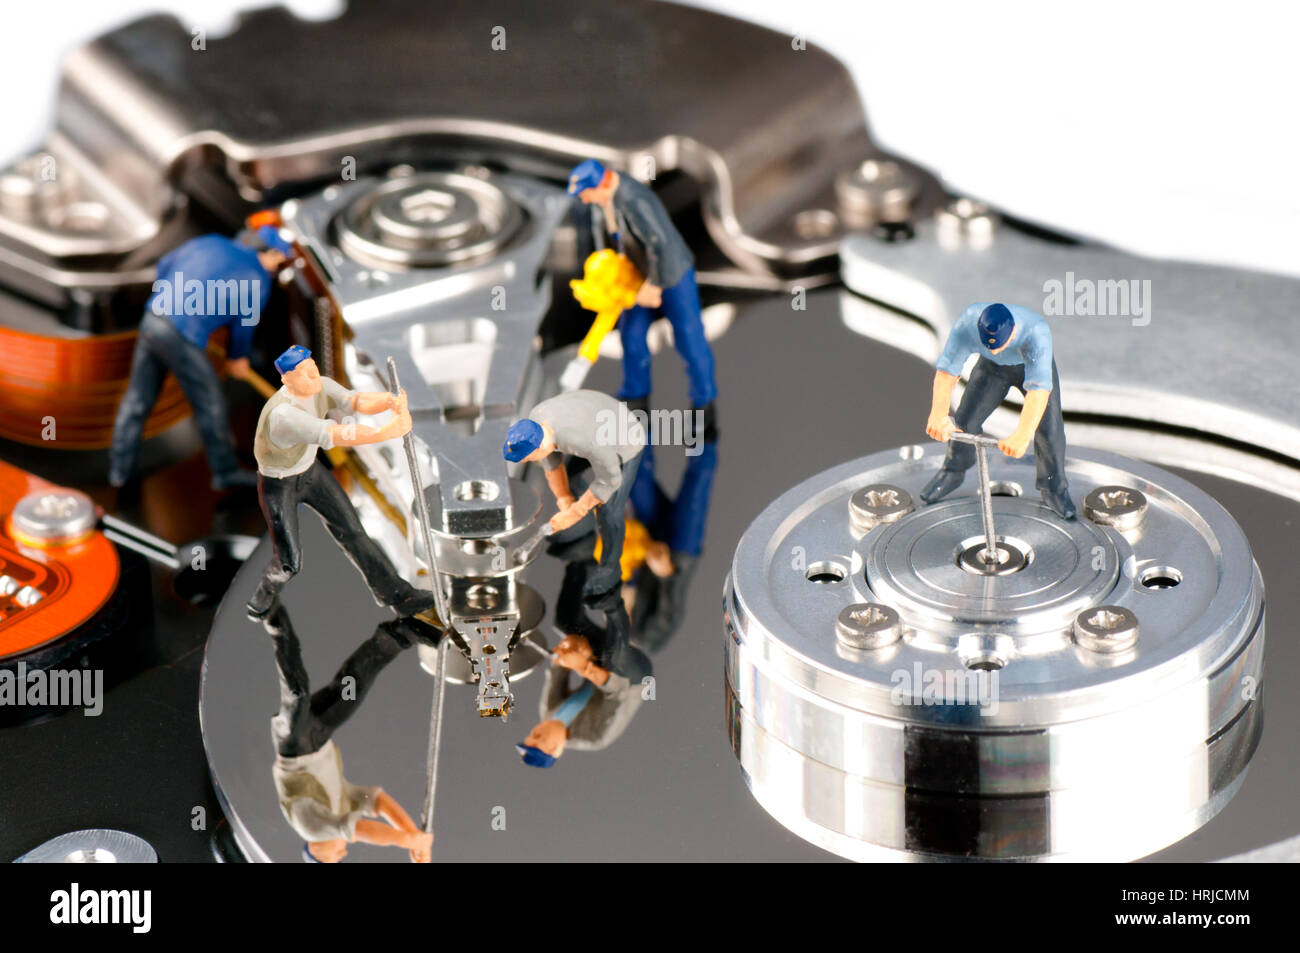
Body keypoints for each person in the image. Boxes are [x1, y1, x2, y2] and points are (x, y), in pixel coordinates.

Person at [246, 345, 433, 619]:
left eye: (312, 369)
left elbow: (355, 401)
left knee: (353, 532)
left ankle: (397, 595)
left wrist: (388, 401)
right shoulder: (284, 415)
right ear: (286, 380)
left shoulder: (319, 384)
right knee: (289, 563)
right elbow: (338, 433)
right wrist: (385, 432)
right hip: (279, 485)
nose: (312, 377)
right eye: (303, 375)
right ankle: (264, 592)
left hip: (311, 471)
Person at [108, 226, 292, 489]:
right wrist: (237, 358)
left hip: (152, 319)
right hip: (182, 336)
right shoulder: (258, 279)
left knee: (137, 400)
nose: (279, 266)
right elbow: (244, 328)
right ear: (271, 253)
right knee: (211, 404)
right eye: (280, 260)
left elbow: (164, 264)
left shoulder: (211, 239)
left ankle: (120, 471)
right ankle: (225, 472)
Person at [263, 604, 438, 863]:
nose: (344, 851)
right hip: (319, 736)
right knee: (353, 684)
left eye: (336, 857)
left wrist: (407, 841)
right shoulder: (340, 805)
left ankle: (272, 616)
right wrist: (413, 834)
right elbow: (378, 802)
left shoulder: (312, 828)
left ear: (317, 853)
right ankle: (404, 632)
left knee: (296, 692)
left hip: (295, 745)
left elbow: (361, 830)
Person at [567, 159, 717, 428]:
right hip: (635, 274)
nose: (585, 200)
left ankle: (704, 401)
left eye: (585, 194)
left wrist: (654, 286)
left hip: (671, 274)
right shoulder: (603, 202)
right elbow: (607, 242)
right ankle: (635, 395)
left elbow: (663, 244)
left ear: (600, 185)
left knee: (688, 336)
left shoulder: (635, 200)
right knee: (632, 334)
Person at [922, 302, 1075, 519]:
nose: (994, 349)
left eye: (1000, 344)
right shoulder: (967, 323)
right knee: (965, 420)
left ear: (1013, 330)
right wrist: (937, 414)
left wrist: (1021, 435)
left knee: (1048, 430)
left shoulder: (1036, 331)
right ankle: (954, 470)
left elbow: (1038, 393)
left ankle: (1054, 488)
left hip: (1028, 367)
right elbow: (947, 372)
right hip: (991, 368)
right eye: (989, 345)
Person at [503, 389, 645, 598]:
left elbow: (610, 479)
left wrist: (575, 512)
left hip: (624, 440)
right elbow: (552, 465)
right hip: (595, 420)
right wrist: (564, 499)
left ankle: (610, 571)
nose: (526, 461)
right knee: (569, 477)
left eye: (527, 458)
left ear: (539, 448)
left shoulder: (578, 440)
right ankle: (581, 527)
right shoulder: (536, 424)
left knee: (608, 510)